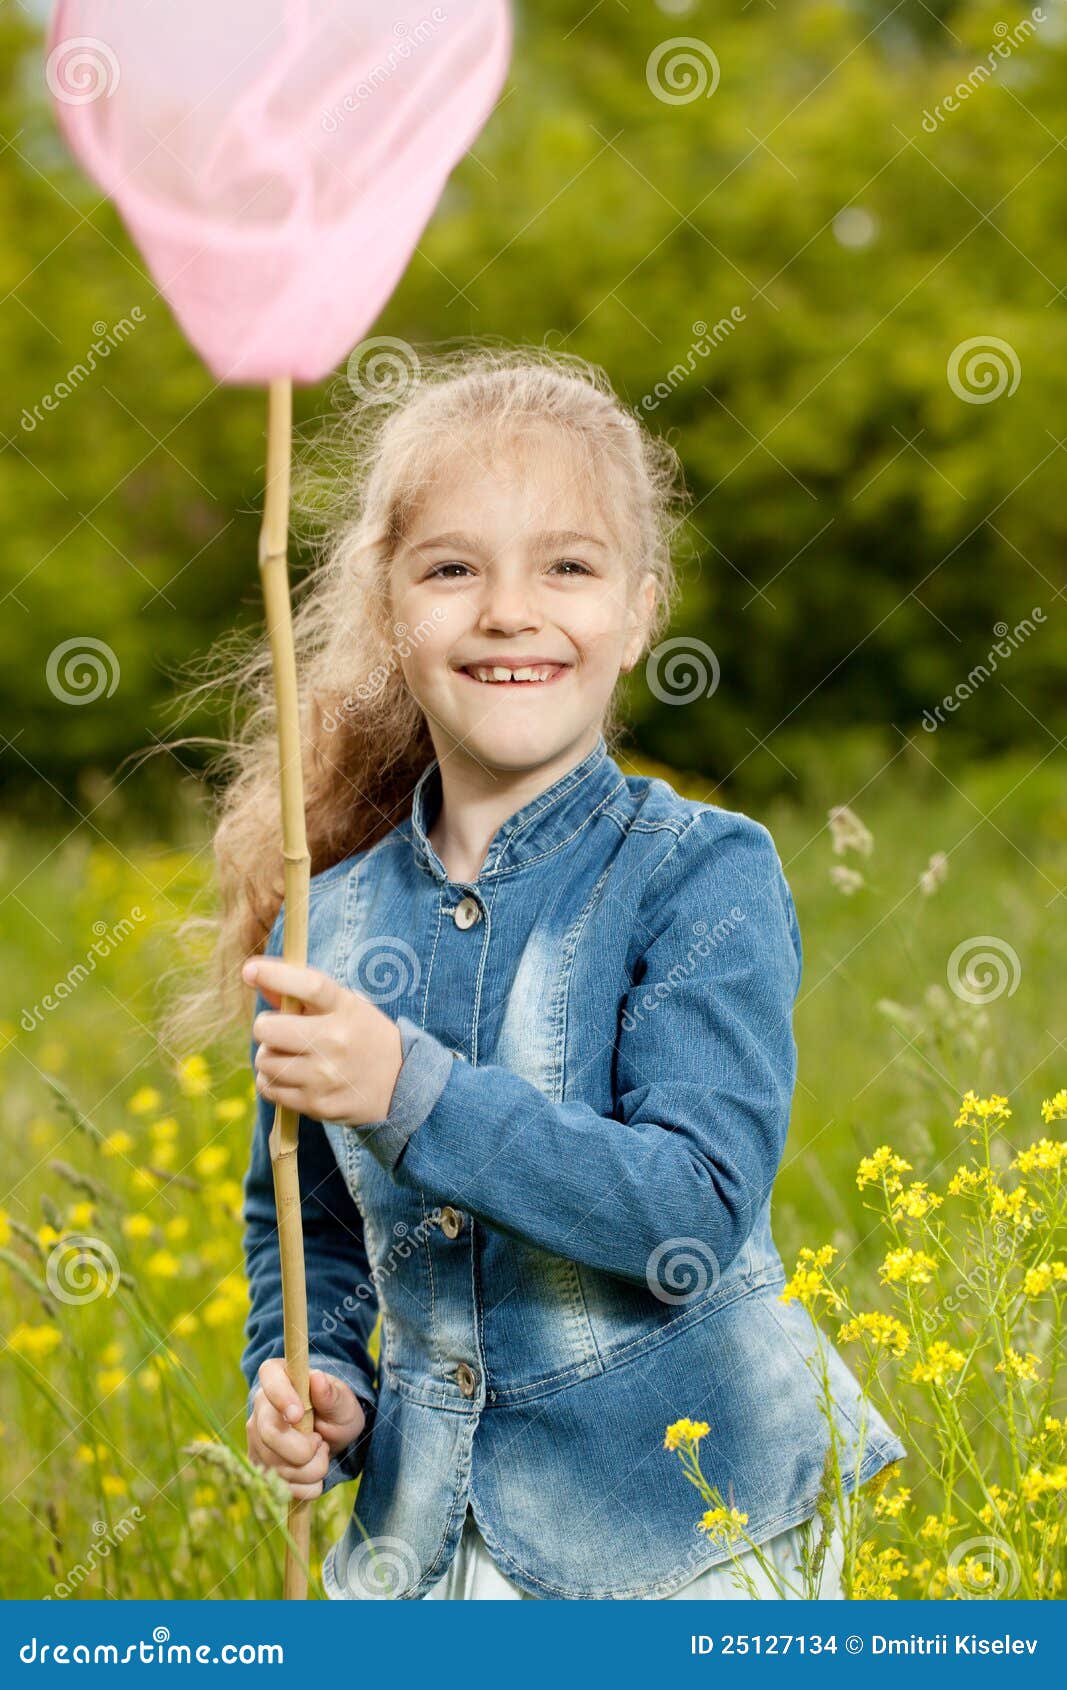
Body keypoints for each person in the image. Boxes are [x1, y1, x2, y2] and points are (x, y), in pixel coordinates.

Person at [193, 345, 905, 1598]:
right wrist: (318, 1375)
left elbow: (689, 1208)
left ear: (636, 611)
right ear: (390, 611)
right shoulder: (323, 914)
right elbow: (303, 1223)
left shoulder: (697, 874)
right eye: (452, 568)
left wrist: (409, 1088)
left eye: (566, 567)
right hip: (426, 1552)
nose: (508, 610)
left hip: (685, 1541)